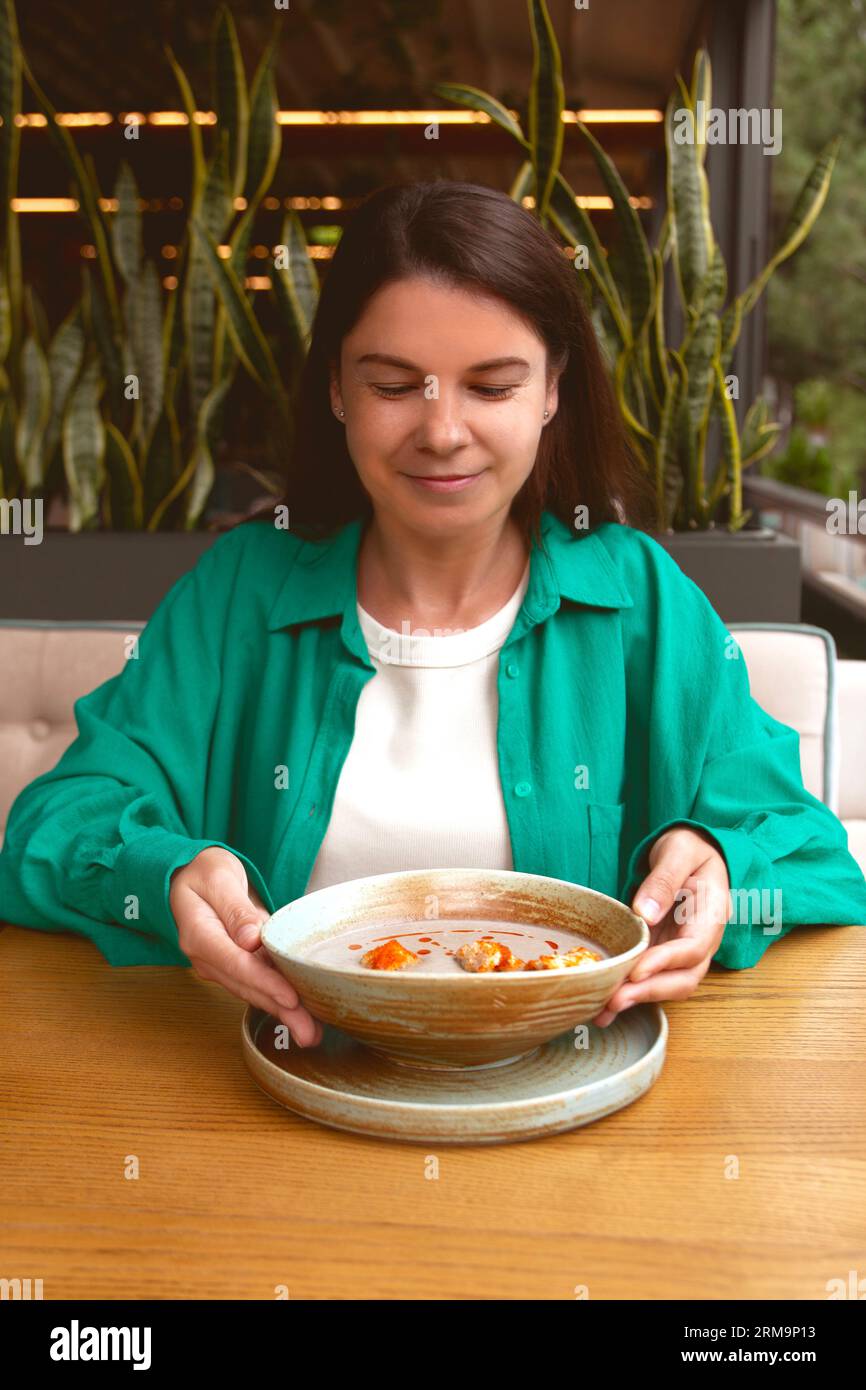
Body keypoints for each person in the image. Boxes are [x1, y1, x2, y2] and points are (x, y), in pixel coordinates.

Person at [1, 181, 864, 1049]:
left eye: (491, 387)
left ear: (552, 392)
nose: (443, 431)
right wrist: (167, 874)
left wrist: (720, 866)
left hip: (573, 1118)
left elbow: (816, 858)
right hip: (274, 1104)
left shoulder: (641, 598)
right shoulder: (240, 591)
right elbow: (50, 827)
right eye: (394, 385)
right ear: (338, 387)